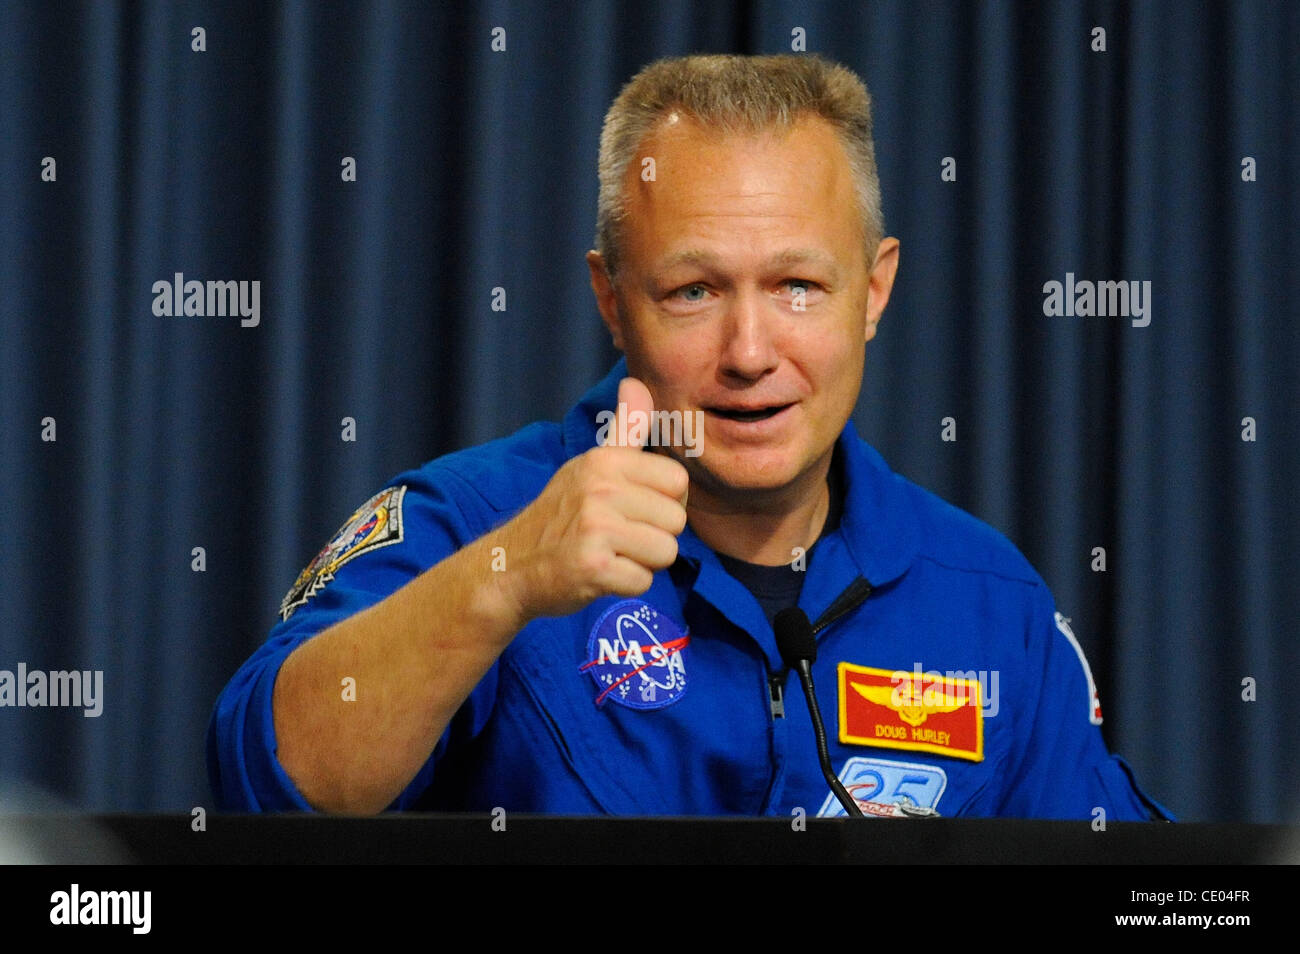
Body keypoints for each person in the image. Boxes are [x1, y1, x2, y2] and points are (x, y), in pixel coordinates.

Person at [208, 53, 1172, 821]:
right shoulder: (473, 522)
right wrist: (505, 580)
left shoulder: (987, 601)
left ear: (873, 292)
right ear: (612, 300)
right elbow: (268, 782)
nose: (750, 352)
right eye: (694, 291)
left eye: (799, 285)